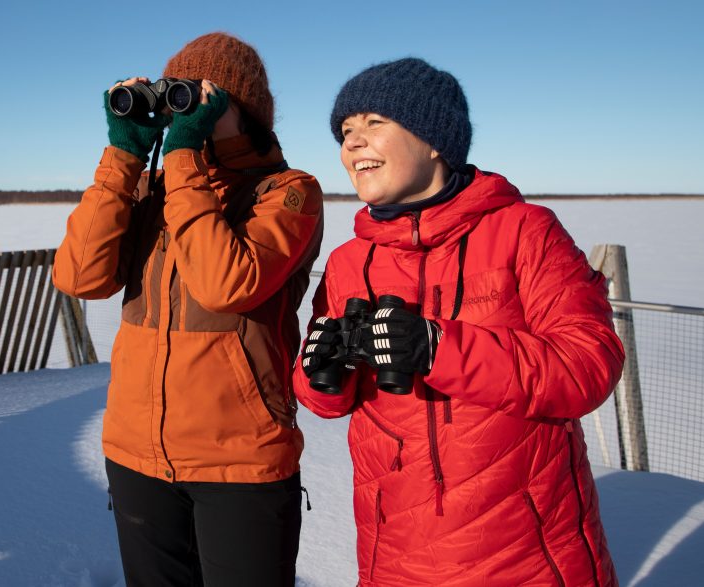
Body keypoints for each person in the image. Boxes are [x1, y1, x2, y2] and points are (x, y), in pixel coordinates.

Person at [293, 57, 624, 586]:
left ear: (434, 140)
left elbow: (586, 366)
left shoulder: (525, 232)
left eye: (374, 122)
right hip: (394, 554)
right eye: (346, 131)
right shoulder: (349, 261)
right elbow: (325, 403)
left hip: (526, 556)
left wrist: (436, 347)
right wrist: (319, 372)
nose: (353, 142)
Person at [52, 32, 324, 586]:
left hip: (241, 460)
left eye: (202, 95)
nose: (185, 108)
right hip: (136, 452)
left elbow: (226, 285)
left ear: (243, 110)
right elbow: (79, 277)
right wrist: (123, 156)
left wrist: (182, 156)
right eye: (176, 92)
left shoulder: (287, 192)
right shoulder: (152, 190)